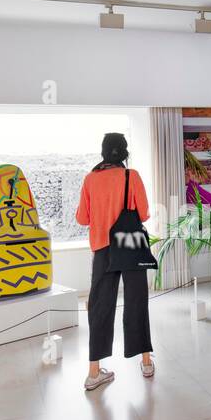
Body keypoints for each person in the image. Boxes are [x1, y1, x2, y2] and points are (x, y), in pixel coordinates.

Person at [75, 132, 155, 390]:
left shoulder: (90, 179)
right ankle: (145, 361)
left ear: (103, 152)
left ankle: (93, 372)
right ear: (124, 152)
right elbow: (143, 213)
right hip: (130, 246)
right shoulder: (132, 176)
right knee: (136, 302)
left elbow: (82, 219)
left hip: (102, 250)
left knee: (99, 307)